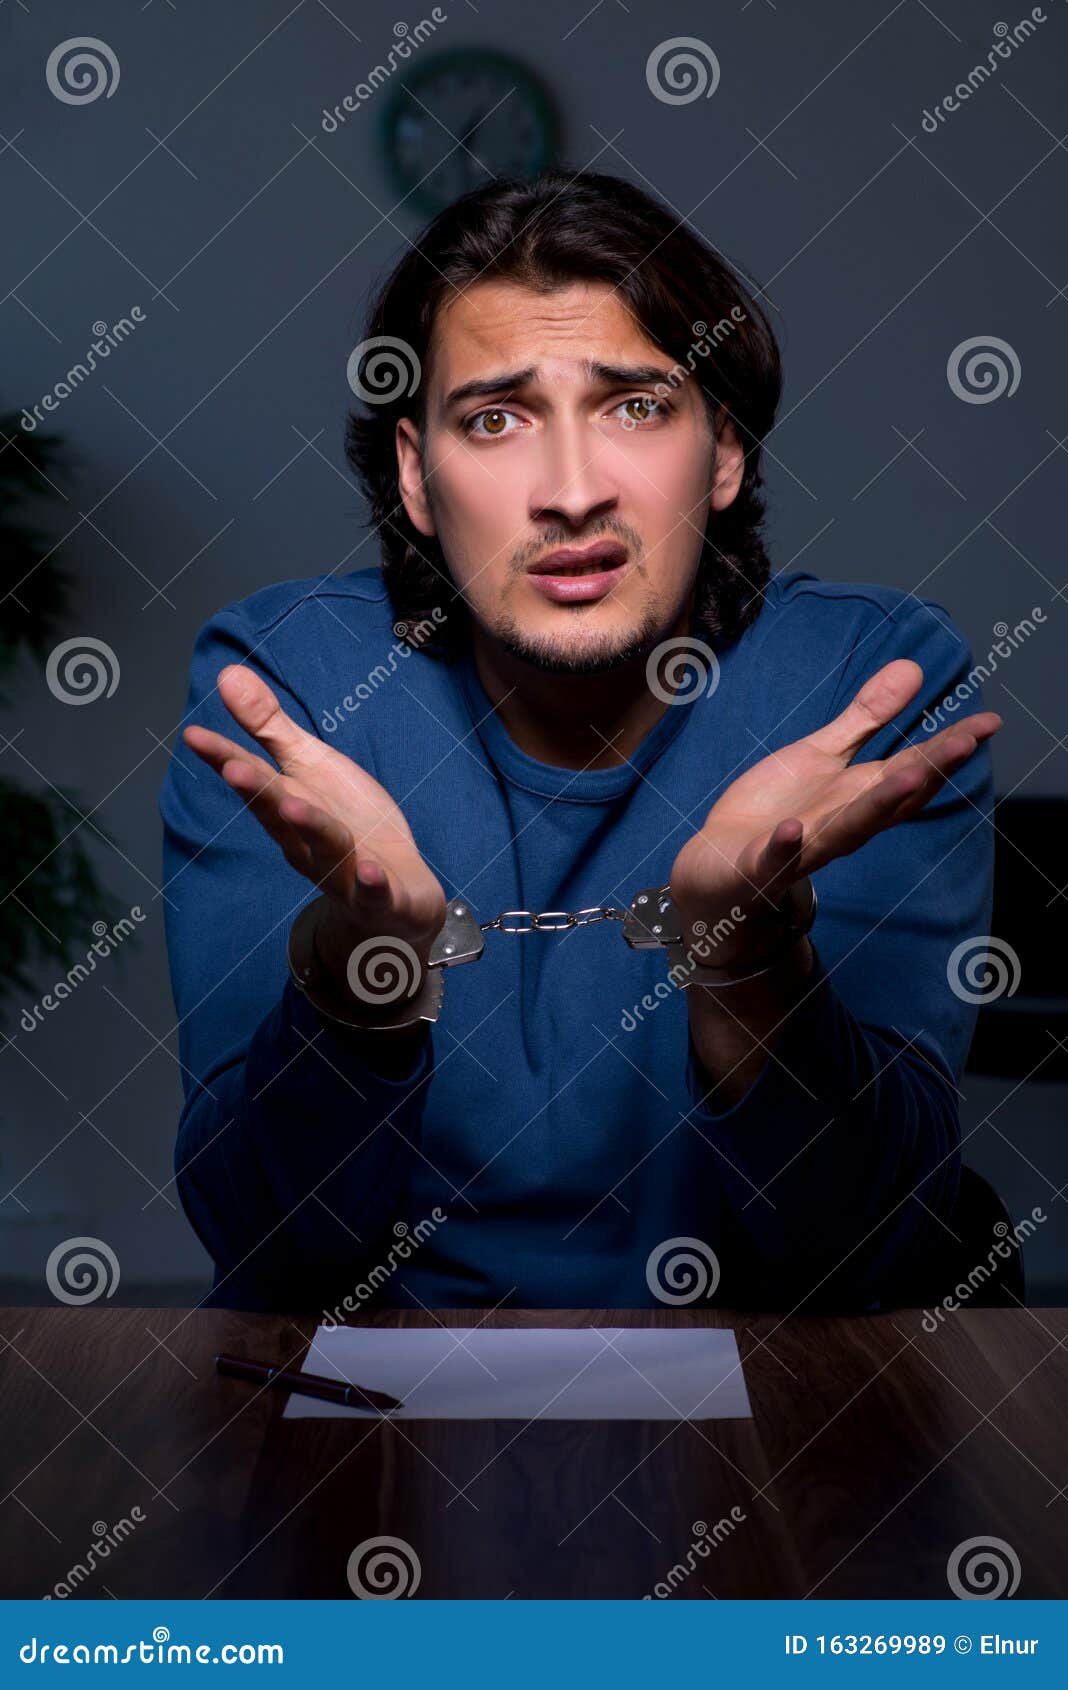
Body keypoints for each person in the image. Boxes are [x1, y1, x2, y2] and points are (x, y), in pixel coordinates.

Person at [159, 169, 1000, 1314]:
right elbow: (270, 1252)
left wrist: (749, 962)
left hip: (775, 1422)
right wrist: (362, 968)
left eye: (637, 406)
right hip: (374, 1435)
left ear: (723, 453)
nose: (570, 491)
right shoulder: (293, 694)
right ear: (415, 472)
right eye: (495, 417)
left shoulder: (867, 688)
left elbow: (875, 1254)